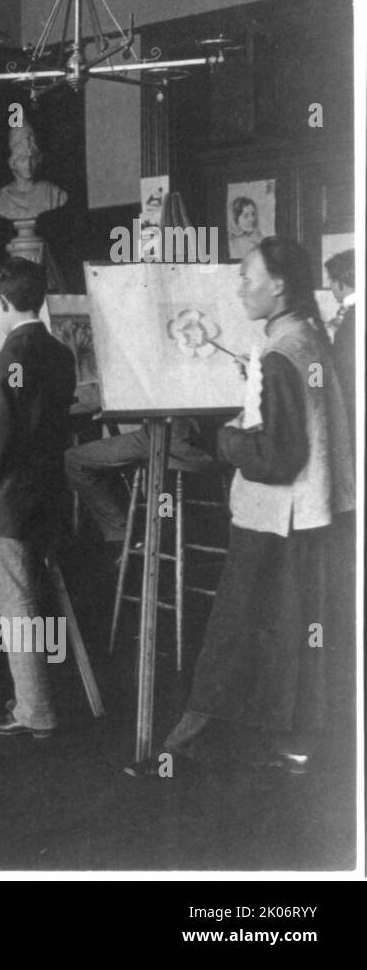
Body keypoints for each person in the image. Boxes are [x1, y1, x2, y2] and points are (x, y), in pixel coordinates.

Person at [164, 237, 354, 773]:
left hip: (279, 515)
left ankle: (185, 743)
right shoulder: (306, 339)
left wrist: (229, 438)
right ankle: (297, 741)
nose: (240, 287)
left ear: (281, 286)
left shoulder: (280, 353)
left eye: (249, 277)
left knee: (233, 627)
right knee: (301, 628)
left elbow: (278, 456)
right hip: (312, 514)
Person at [0, 257, 76, 739]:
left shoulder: (12, 356)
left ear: (2, 302)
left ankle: (35, 712)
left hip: (8, 500)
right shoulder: (58, 352)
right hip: (48, 489)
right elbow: (34, 410)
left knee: (17, 608)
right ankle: (35, 700)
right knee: (31, 599)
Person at [65, 421, 214, 548]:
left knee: (76, 460)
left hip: (168, 439)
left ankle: (123, 533)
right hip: (204, 445)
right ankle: (143, 530)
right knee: (165, 495)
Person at [0, 119, 68, 222]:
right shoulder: (3, 197)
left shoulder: (54, 193)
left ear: (38, 159)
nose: (28, 165)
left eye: (32, 158)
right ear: (13, 163)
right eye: (22, 159)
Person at [324, 249, 355, 429]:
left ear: (340, 283)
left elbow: (319, 383)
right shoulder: (346, 319)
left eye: (331, 281)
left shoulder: (346, 324)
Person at [227, 196, 263, 260]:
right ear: (234, 219)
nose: (252, 219)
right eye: (246, 216)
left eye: (253, 214)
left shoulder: (259, 238)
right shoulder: (231, 243)